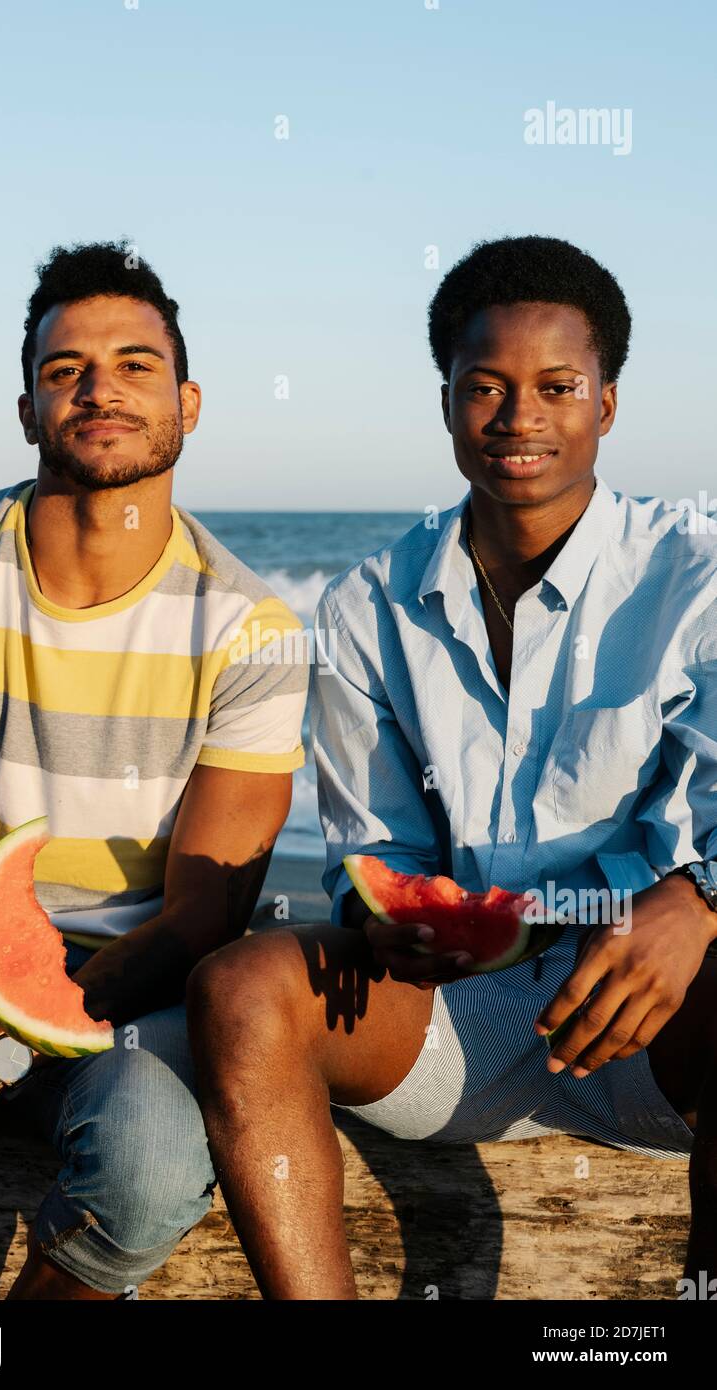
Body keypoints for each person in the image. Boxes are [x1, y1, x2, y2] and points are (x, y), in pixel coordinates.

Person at [186, 235, 717, 1299]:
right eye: (487, 387)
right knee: (241, 986)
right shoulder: (365, 607)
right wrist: (381, 909)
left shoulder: (693, 573)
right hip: (456, 1017)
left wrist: (698, 899)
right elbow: (375, 847)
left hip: (657, 1013)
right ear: (446, 404)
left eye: (557, 387)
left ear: (605, 404)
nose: (521, 417)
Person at [0, 240, 308, 1299]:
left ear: (189, 403)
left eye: (136, 365)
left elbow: (200, 925)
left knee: (148, 1174)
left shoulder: (251, 631)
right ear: (27, 410)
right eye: (66, 370)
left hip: (121, 999)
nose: (100, 388)